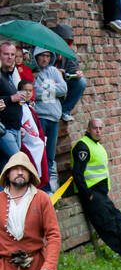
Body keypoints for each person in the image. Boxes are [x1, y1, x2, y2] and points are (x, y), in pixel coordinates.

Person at [72, 117, 121, 264]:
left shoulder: (98, 147)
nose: (98, 131)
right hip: (92, 194)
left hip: (101, 194)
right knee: (107, 225)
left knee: (118, 220)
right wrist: (87, 194)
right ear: (88, 129)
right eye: (95, 128)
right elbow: (77, 173)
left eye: (101, 128)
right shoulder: (83, 146)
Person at [31, 49, 66, 187]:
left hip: (54, 117)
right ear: (36, 57)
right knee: (41, 154)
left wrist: (44, 88)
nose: (45, 59)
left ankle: (48, 188)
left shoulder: (53, 71)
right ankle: (41, 187)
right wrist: (52, 89)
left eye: (47, 56)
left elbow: (63, 88)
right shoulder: (33, 72)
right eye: (42, 56)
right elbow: (33, 91)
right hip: (40, 117)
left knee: (50, 155)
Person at [0, 41, 34, 167]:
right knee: (19, 162)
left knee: (5, 166)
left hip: (15, 128)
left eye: (12, 54)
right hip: (4, 129)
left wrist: (20, 126)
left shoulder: (10, 75)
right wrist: (11, 98)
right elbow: (8, 99)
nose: (10, 57)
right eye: (6, 54)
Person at [50, 25, 85, 123]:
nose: (64, 43)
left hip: (64, 79)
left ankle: (65, 110)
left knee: (81, 83)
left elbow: (73, 67)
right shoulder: (48, 49)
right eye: (62, 39)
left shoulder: (69, 52)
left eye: (67, 40)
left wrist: (77, 72)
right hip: (50, 81)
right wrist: (56, 71)